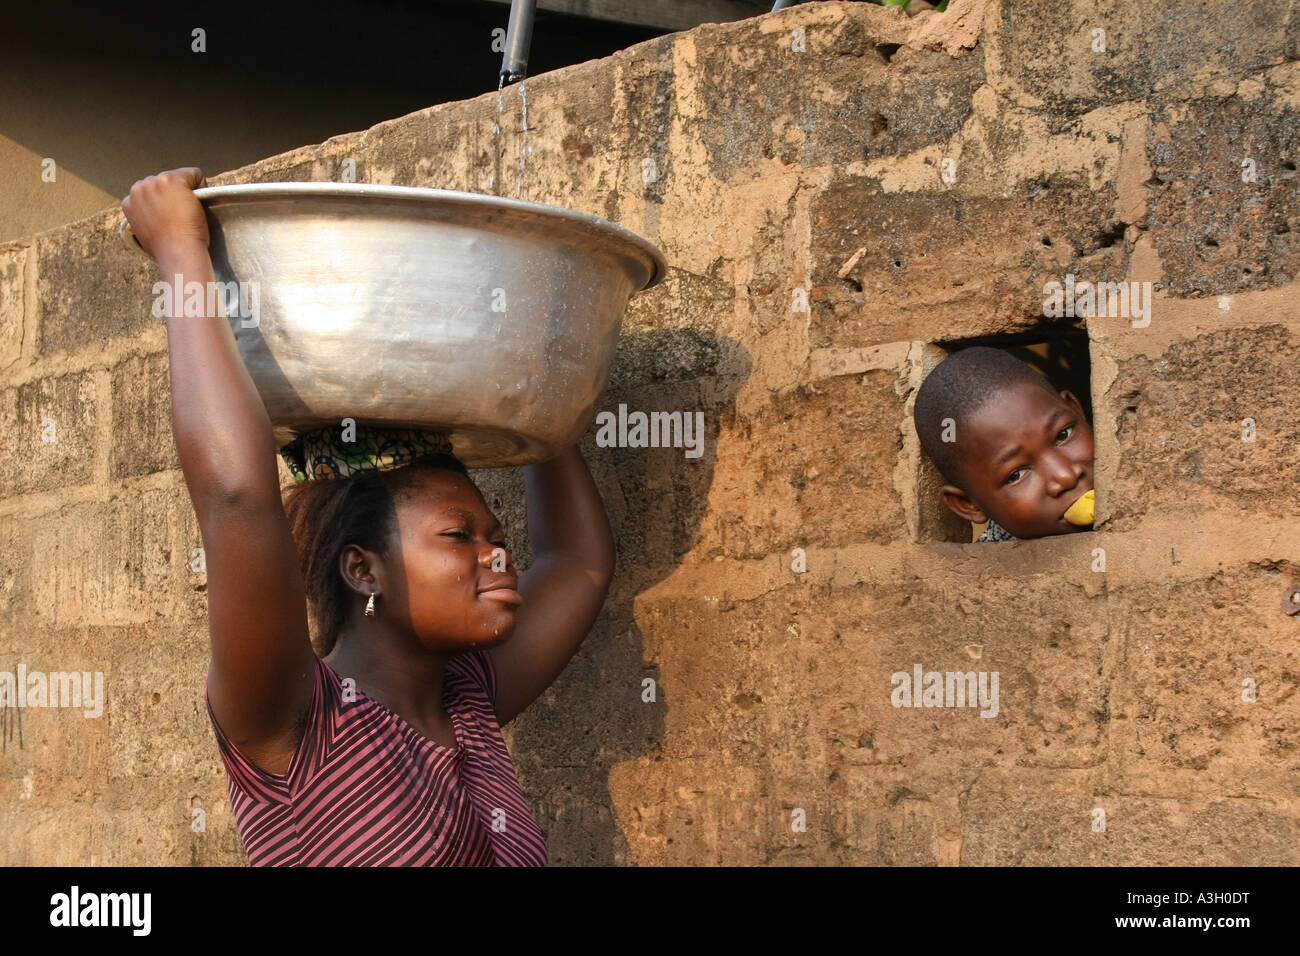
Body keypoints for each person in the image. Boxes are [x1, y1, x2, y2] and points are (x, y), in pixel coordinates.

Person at [121, 168, 616, 865]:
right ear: (363, 569)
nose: (497, 556)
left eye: (496, 538)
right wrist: (179, 251)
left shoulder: (466, 706)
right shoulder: (295, 720)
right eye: (459, 537)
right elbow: (237, 494)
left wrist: (534, 378)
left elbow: (576, 564)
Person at [912, 346, 1095, 543]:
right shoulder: (988, 573)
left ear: (1076, 409)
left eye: (1063, 434)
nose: (1066, 476)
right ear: (969, 504)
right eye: (1016, 474)